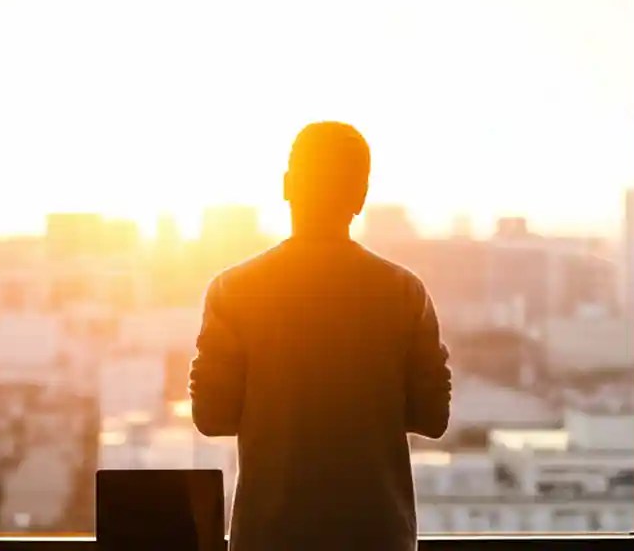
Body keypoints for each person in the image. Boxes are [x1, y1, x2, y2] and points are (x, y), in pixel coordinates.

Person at [189, 121, 452, 551]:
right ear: (361, 196)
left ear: (288, 186)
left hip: (271, 536)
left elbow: (211, 416)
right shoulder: (404, 292)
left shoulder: (233, 290)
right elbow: (433, 417)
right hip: (377, 536)